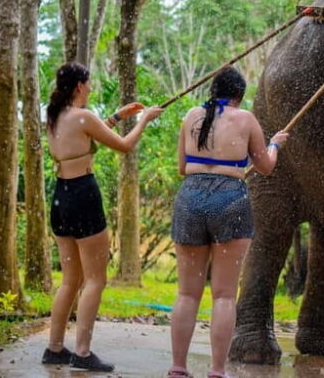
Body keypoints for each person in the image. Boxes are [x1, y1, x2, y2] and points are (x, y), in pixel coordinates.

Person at [42, 62, 164, 372]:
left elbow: (87, 135)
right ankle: (82, 353)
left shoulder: (54, 116)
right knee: (96, 278)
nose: (92, 87)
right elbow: (123, 146)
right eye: (89, 82)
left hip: (60, 197)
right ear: (80, 86)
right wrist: (143, 120)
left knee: (71, 279)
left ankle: (54, 348)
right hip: (83, 195)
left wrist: (119, 116)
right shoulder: (83, 116)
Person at [167, 67, 288, 378]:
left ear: (213, 91)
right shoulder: (246, 119)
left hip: (190, 198)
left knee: (187, 294)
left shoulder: (191, 115)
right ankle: (217, 372)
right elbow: (266, 167)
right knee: (223, 294)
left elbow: (183, 167)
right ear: (239, 95)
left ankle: (178, 368)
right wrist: (275, 144)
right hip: (230, 200)